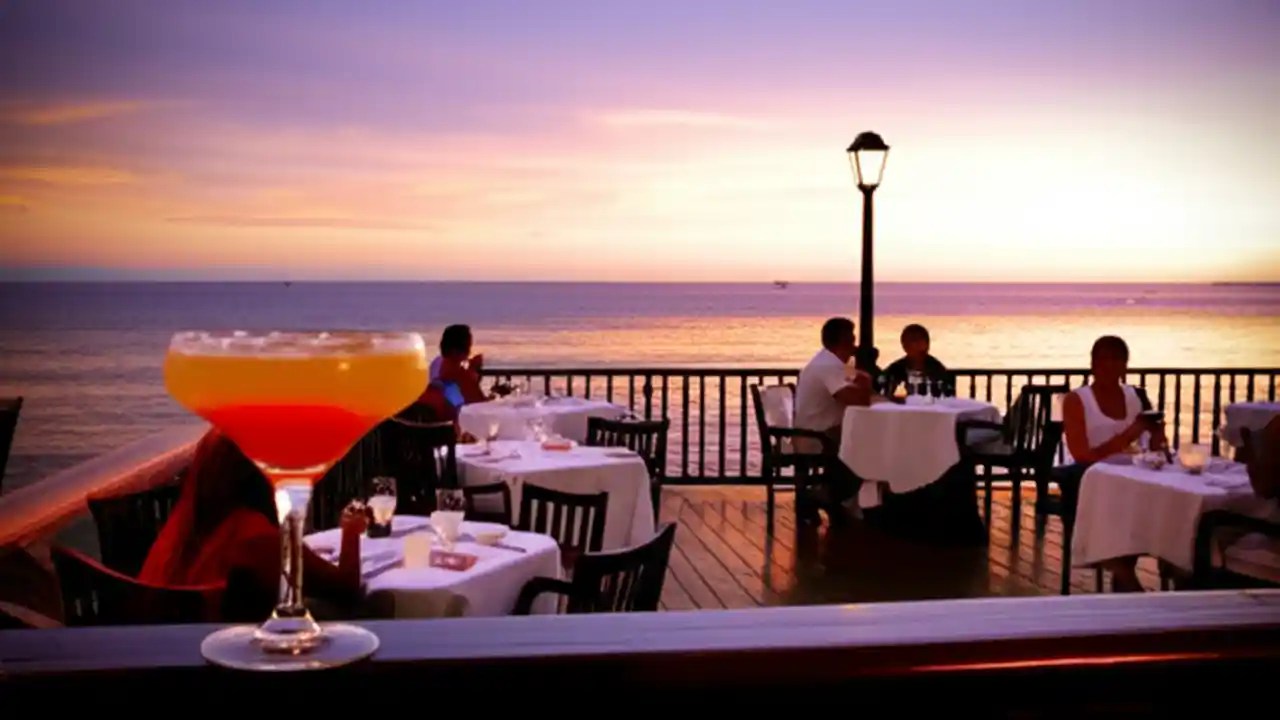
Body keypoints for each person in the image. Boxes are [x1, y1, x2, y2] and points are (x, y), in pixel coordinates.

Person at [139, 429, 367, 619]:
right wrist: (351, 529)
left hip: (177, 655)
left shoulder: (180, 535)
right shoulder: (255, 538)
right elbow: (346, 589)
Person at [1058, 335, 1167, 592]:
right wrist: (1129, 433)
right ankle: (1127, 582)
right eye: (1103, 360)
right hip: (1094, 474)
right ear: (1093, 364)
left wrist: (1156, 435)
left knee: (1160, 496)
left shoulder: (1136, 396)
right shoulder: (1077, 400)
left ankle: (1168, 564)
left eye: (1116, 360)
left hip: (1133, 475)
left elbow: (1154, 446)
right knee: (1115, 501)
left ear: (1125, 366)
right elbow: (1081, 453)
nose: (1109, 366)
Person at [793, 317, 873, 520]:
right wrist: (866, 382)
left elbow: (850, 382)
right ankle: (826, 495)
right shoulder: (828, 366)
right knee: (870, 447)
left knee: (864, 442)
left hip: (821, 431)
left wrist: (859, 379)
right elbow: (855, 399)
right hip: (816, 436)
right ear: (847, 341)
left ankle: (840, 498)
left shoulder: (830, 362)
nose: (855, 346)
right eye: (852, 340)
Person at [419, 324, 488, 421]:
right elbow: (480, 408)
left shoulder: (436, 364)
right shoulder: (460, 378)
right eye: (468, 347)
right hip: (452, 428)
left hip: (432, 425)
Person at [882, 324, 950, 396]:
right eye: (913, 340)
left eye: (920, 340)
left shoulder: (936, 368)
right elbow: (883, 393)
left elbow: (946, 395)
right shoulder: (895, 369)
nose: (919, 344)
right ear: (904, 345)